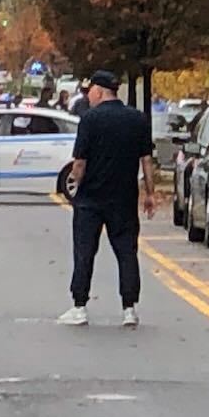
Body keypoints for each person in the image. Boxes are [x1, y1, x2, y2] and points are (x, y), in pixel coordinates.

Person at [59, 70, 155, 329]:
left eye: (90, 90)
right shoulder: (137, 120)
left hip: (91, 198)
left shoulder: (90, 120)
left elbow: (80, 162)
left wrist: (75, 186)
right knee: (126, 252)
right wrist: (150, 192)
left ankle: (79, 306)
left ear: (100, 91)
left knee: (84, 252)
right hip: (123, 197)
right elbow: (146, 159)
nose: (88, 96)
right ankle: (129, 308)